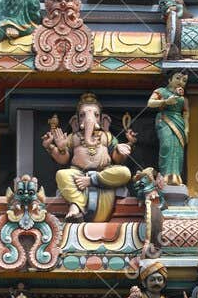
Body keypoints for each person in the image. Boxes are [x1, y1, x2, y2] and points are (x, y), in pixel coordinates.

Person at [42, 93, 133, 223]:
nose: (89, 118)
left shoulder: (106, 136)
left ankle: (92, 180)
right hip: (78, 174)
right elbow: (63, 160)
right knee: (62, 175)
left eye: (95, 115)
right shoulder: (73, 137)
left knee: (124, 172)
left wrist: (120, 150)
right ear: (76, 120)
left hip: (103, 173)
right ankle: (76, 206)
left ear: (102, 120)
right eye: (82, 115)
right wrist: (56, 147)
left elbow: (117, 159)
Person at [148, 71, 189, 186]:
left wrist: (187, 128)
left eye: (184, 80)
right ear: (170, 79)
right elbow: (150, 103)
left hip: (179, 121)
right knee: (166, 145)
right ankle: (165, 175)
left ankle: (176, 176)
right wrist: (166, 101)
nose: (181, 82)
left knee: (178, 149)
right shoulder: (161, 91)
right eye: (178, 78)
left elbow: (186, 113)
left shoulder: (184, 98)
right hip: (164, 119)